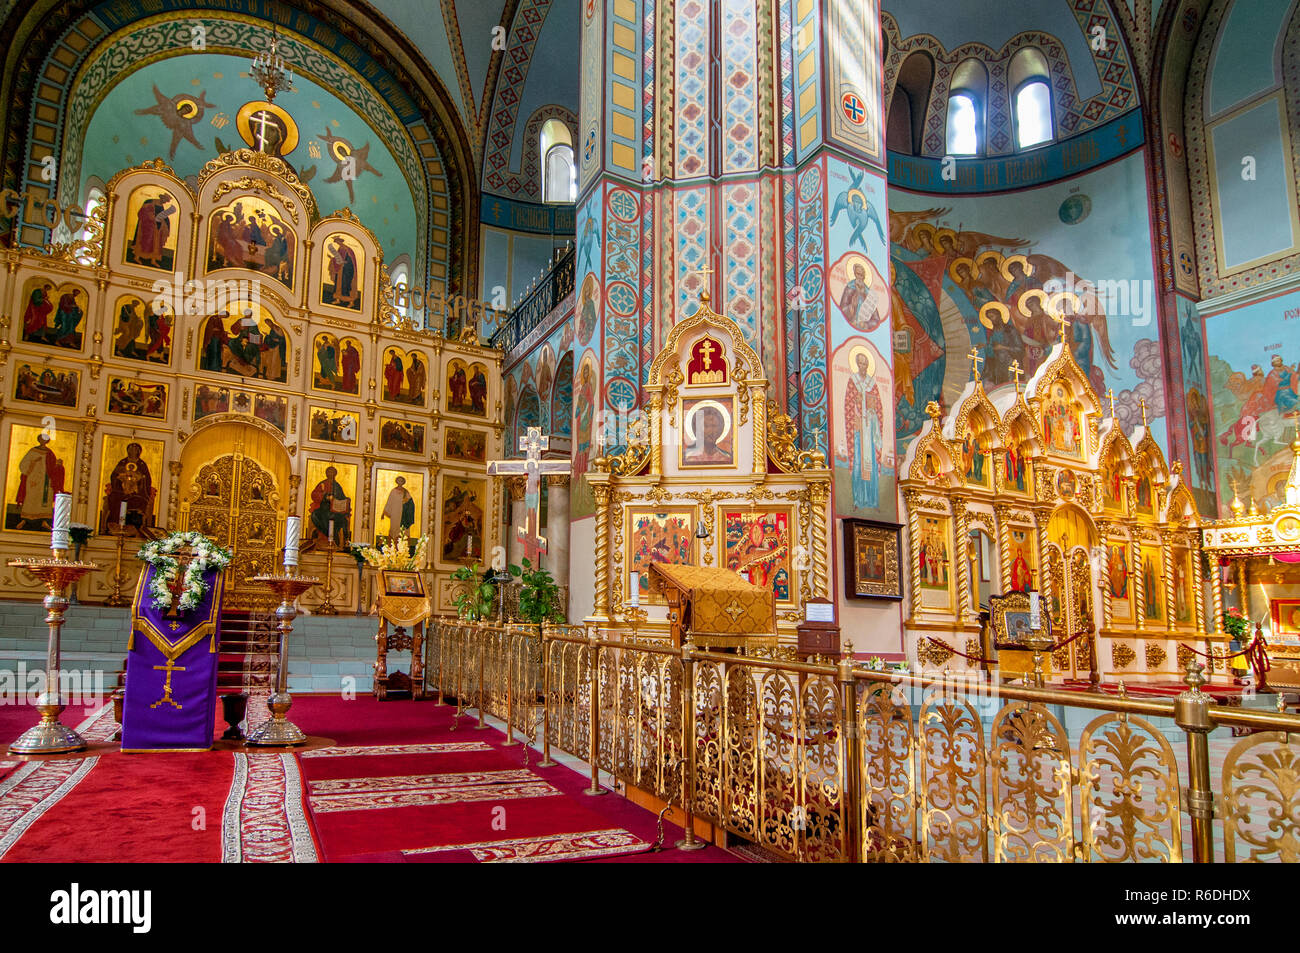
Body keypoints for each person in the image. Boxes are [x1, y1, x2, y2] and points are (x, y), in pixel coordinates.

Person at [14, 433, 65, 530]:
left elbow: (53, 467)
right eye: (42, 439)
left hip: (46, 479)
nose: (44, 441)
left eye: (46, 439)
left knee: (44, 499)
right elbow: (23, 464)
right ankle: (24, 519)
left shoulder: (49, 452)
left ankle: (44, 521)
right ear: (39, 440)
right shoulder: (33, 451)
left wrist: (59, 465)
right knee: (31, 497)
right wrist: (34, 462)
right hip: (33, 479)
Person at [101, 442, 154, 534]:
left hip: (137, 492)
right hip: (121, 491)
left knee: (138, 501)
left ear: (138, 452)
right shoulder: (122, 462)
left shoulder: (141, 464)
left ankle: (135, 527)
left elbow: (147, 479)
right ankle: (114, 525)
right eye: (131, 450)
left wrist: (139, 478)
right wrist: (121, 477)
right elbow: (114, 476)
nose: (133, 452)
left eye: (135, 450)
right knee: (114, 499)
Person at [308, 466, 351, 547]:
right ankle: (329, 536)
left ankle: (341, 540)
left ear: (335, 474)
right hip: (323, 509)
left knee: (341, 520)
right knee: (315, 515)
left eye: (332, 473)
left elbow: (342, 497)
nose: (330, 474)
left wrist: (346, 500)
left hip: (335, 511)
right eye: (329, 472)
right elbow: (314, 495)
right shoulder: (322, 484)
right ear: (326, 474)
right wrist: (325, 497)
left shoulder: (337, 486)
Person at [381, 476, 416, 541]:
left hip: (403, 514)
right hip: (394, 512)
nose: (400, 482)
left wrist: (406, 503)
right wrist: (384, 512)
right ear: (396, 481)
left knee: (403, 530)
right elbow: (389, 501)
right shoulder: (393, 491)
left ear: (403, 482)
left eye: (401, 481)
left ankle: (403, 545)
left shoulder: (405, 492)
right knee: (394, 528)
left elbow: (410, 502)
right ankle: (392, 544)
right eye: (399, 481)